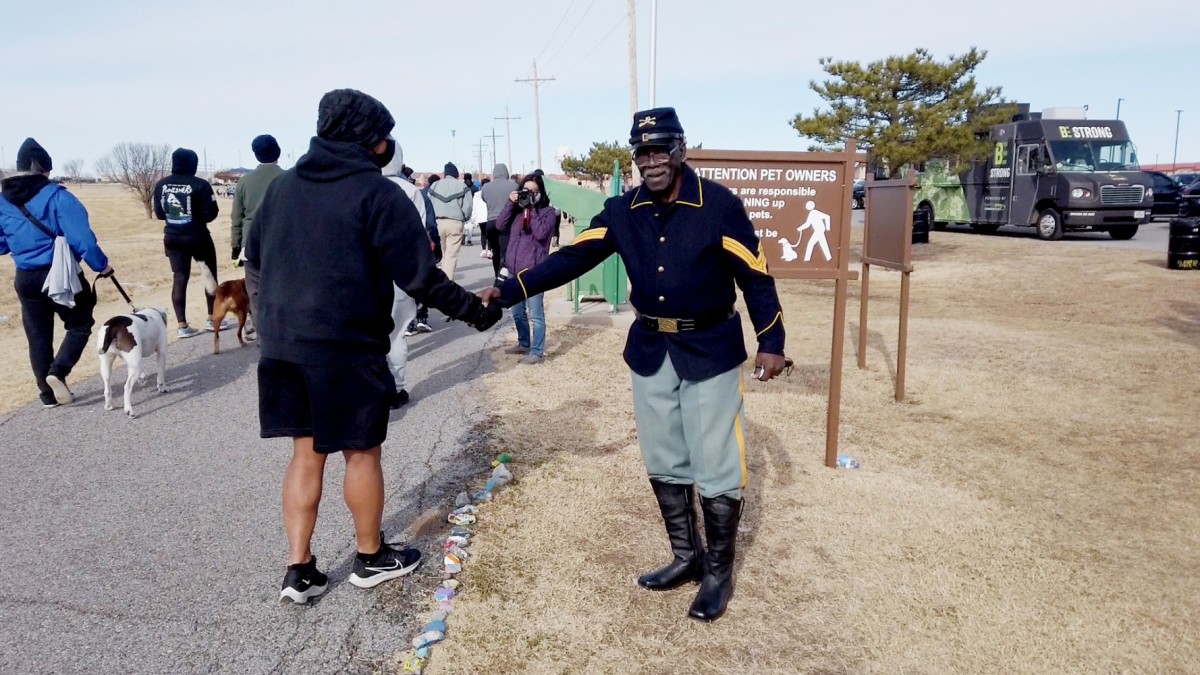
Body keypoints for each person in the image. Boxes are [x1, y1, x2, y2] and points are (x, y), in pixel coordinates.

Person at [478, 107, 788, 622]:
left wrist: (771, 340)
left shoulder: (719, 206)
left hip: (709, 348)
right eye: (642, 152)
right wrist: (511, 288)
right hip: (650, 350)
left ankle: (716, 573)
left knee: (716, 462)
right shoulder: (624, 210)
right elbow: (572, 257)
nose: (651, 160)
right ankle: (685, 558)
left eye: (659, 149)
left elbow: (755, 275)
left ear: (680, 150)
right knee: (664, 457)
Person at [245, 88, 500, 603]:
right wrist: (477, 312)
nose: (387, 144)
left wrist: (269, 323)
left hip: (282, 344)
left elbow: (253, 261)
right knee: (361, 452)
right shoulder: (376, 193)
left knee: (306, 452)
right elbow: (421, 278)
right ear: (369, 140)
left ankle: (300, 571)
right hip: (345, 346)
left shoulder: (282, 189)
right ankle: (370, 557)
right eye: (383, 135)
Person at [0, 138, 114, 408]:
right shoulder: (58, 196)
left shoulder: (3, 202)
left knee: (38, 335)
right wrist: (102, 266)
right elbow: (82, 240)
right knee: (80, 323)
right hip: (60, 274)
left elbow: (2, 244)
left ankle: (47, 395)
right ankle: (57, 372)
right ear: (45, 168)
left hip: (26, 277)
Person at [381, 142, 433, 407]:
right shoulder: (411, 191)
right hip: (400, 272)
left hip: (368, 274)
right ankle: (397, 389)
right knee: (397, 333)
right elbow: (420, 234)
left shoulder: (363, 187)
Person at [153, 147, 224, 338]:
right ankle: (212, 318)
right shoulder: (200, 185)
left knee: (179, 277)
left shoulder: (161, 185)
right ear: (193, 164)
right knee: (208, 274)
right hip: (198, 236)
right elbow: (211, 214)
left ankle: (182, 325)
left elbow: (160, 213)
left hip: (173, 237)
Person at [494, 173, 556, 364]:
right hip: (513, 268)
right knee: (517, 312)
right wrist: (511, 203)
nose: (530, 195)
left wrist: (532, 208)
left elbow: (541, 234)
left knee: (535, 314)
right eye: (526, 191)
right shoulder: (517, 211)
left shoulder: (548, 212)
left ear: (540, 193)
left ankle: (537, 352)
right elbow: (499, 225)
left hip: (534, 271)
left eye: (534, 191)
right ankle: (523, 342)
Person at [231, 134, 285, 320]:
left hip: (250, 243)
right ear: (278, 151)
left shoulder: (244, 181)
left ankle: (262, 335)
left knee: (255, 291)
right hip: (281, 242)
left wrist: (236, 247)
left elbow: (237, 217)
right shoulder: (287, 178)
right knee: (283, 287)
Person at [427, 162, 472, 281]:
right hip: (455, 223)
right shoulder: (462, 186)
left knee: (441, 255)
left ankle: (438, 283)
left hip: (437, 223)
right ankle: (447, 285)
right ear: (456, 174)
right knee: (451, 257)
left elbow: (427, 204)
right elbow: (468, 207)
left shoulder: (435, 185)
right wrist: (465, 218)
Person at [479, 163, 517, 269]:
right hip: (508, 222)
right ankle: (506, 275)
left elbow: (484, 199)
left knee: (495, 251)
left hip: (491, 222)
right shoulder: (514, 186)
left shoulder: (486, 187)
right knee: (507, 251)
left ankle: (497, 275)